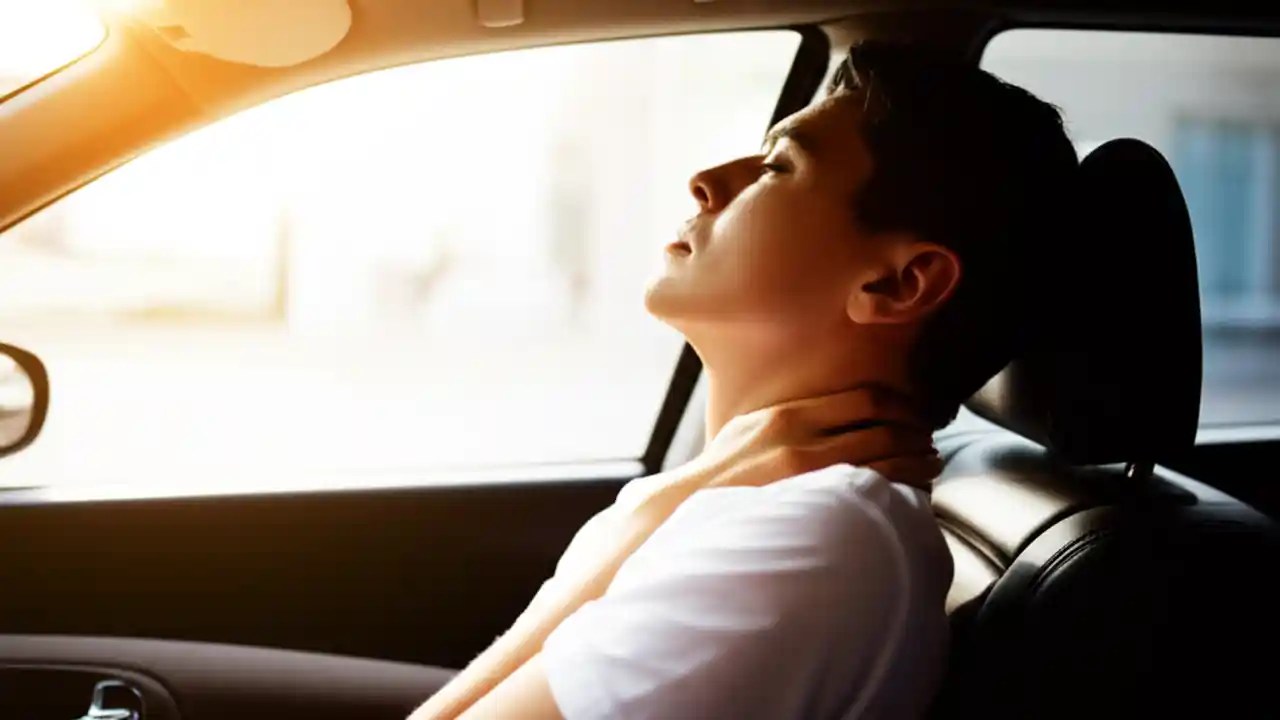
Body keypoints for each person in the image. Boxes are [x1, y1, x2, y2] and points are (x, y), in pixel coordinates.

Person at [409, 41, 1078, 720]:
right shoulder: (769, 505)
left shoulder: (815, 539)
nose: (706, 180)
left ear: (897, 283)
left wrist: (646, 518)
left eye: (779, 166)